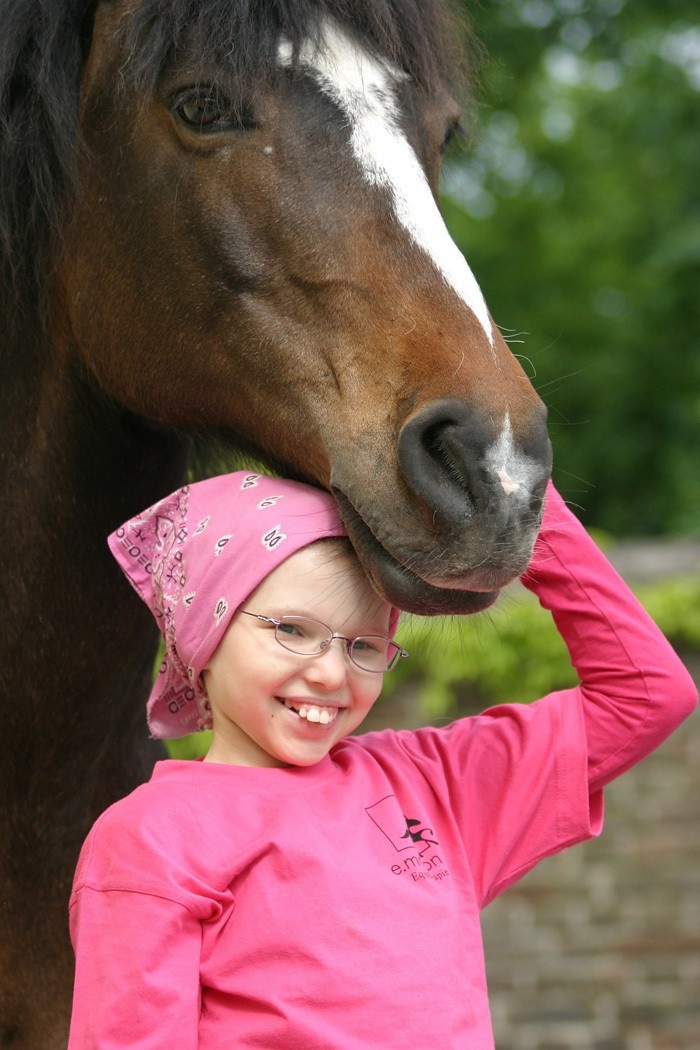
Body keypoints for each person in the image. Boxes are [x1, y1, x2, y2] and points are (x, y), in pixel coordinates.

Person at [67, 470, 697, 1049]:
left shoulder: (429, 784)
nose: (331, 673)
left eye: (366, 644)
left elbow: (646, 694)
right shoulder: (150, 839)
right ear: (206, 630)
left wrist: (522, 500)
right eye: (292, 629)